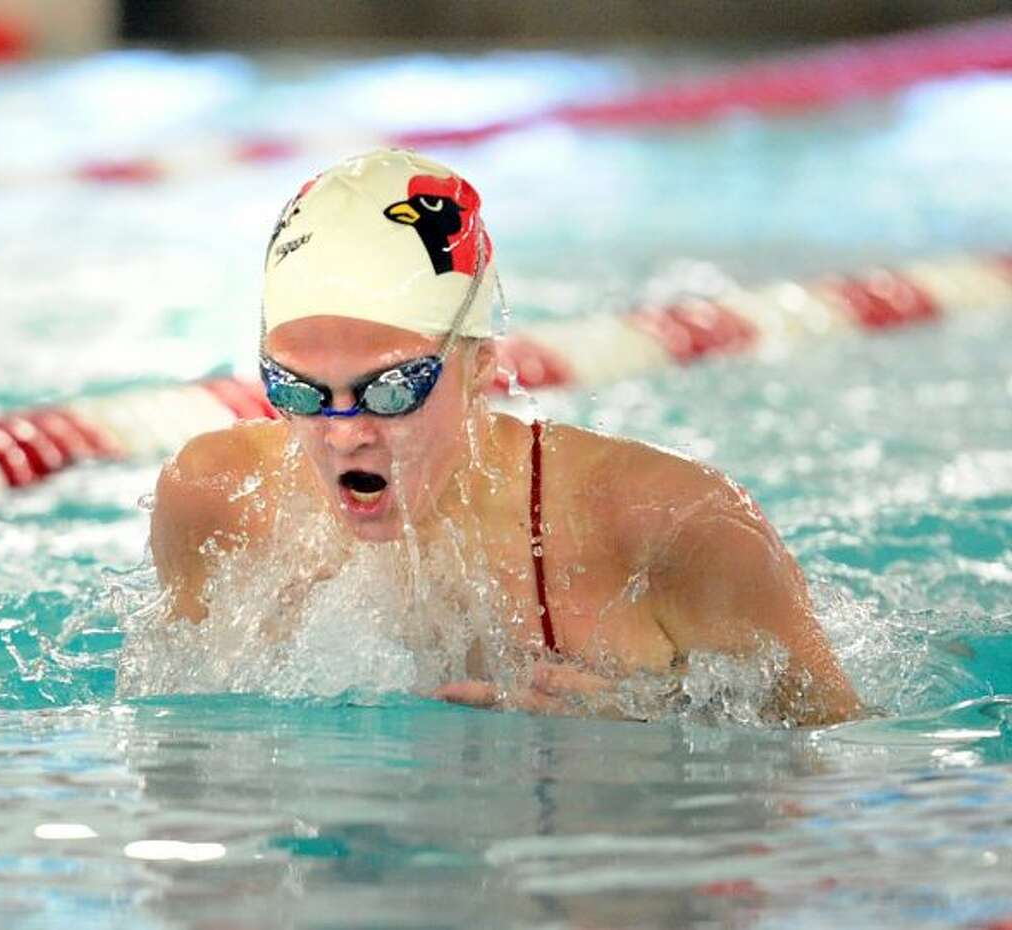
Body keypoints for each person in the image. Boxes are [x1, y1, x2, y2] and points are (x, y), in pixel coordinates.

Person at [148, 148, 860, 724]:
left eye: (392, 389)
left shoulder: (672, 529)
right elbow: (174, 748)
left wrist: (662, 738)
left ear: (482, 363)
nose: (344, 435)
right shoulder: (216, 499)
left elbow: (844, 770)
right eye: (298, 390)